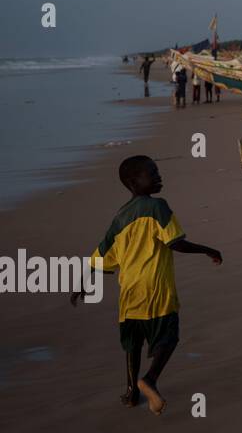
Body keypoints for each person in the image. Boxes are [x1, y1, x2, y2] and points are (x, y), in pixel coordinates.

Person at [71, 155, 222, 414]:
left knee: (133, 344)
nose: (158, 177)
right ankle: (149, 379)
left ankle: (131, 393)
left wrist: (84, 283)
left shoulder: (119, 218)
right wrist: (209, 250)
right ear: (133, 182)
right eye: (152, 174)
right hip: (156, 289)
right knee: (168, 337)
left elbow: (100, 255)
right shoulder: (157, 207)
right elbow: (176, 243)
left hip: (129, 292)